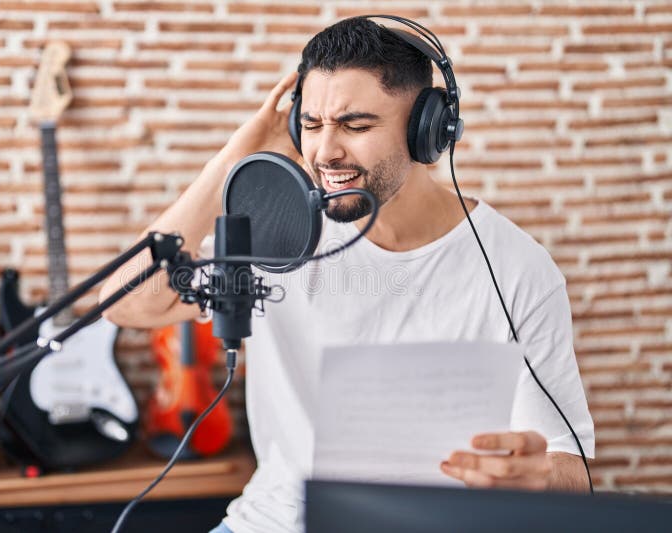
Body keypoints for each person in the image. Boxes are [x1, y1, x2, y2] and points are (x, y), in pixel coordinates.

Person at [100, 16, 595, 533]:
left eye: (356, 126)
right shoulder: (275, 236)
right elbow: (126, 303)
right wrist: (238, 156)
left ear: (428, 130)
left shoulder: (516, 267)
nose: (324, 152)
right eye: (310, 125)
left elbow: (571, 470)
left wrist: (533, 475)